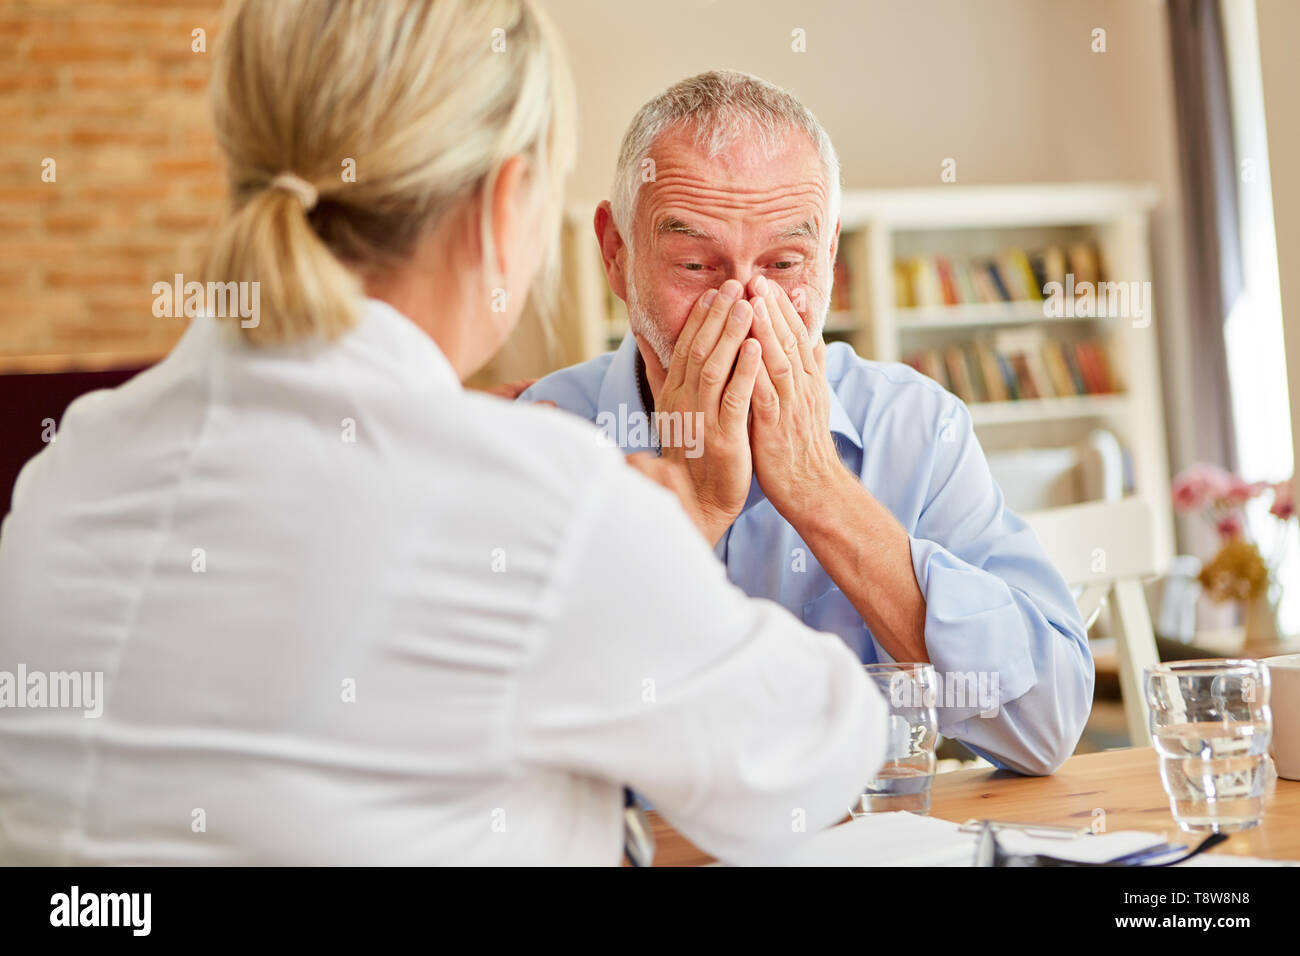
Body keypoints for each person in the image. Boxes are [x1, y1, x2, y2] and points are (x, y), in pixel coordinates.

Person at [0, 2, 887, 865]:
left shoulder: (63, 473)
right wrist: (666, 522)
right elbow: (813, 762)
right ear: (507, 205)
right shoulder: (542, 501)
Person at [521, 70, 1094, 776]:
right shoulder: (543, 437)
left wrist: (822, 491)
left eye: (785, 262)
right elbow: (497, 737)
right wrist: (688, 516)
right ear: (616, 253)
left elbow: (1047, 724)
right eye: (695, 263)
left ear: (828, 256)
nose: (744, 303)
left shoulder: (916, 429)